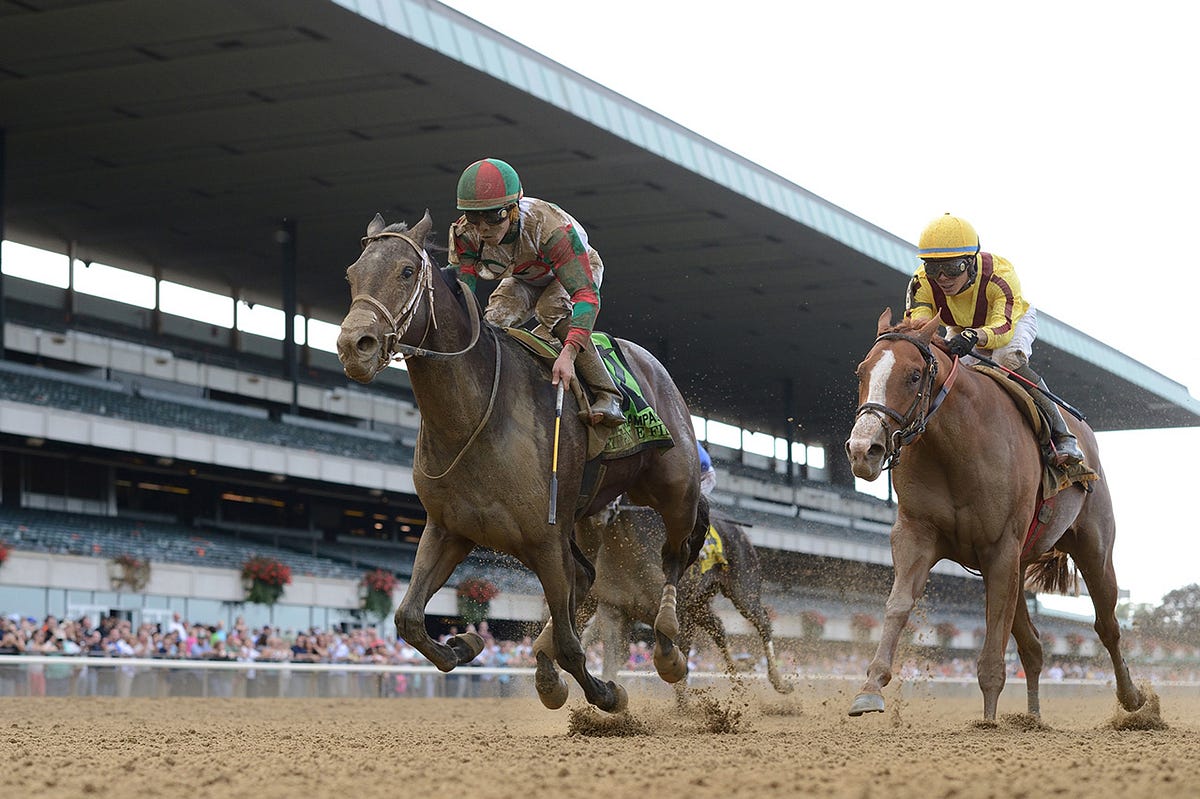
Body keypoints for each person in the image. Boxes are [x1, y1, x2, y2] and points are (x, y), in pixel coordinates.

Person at [448, 157, 623, 426]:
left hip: (572, 272)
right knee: (492, 320)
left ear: (512, 210)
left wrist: (568, 354)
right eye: (474, 217)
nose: (483, 228)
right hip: (525, 276)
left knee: (550, 309)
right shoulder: (465, 233)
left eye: (493, 216)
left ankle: (608, 394)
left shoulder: (551, 229)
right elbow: (464, 293)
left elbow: (586, 296)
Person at [905, 213, 1083, 465]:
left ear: (971, 262)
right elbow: (919, 325)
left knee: (1006, 358)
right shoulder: (921, 282)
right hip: (962, 325)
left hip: (1011, 320)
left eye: (953, 267)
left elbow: (1003, 329)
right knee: (950, 370)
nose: (942, 277)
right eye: (933, 268)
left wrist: (975, 335)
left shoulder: (1001, 275)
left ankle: (1062, 435)